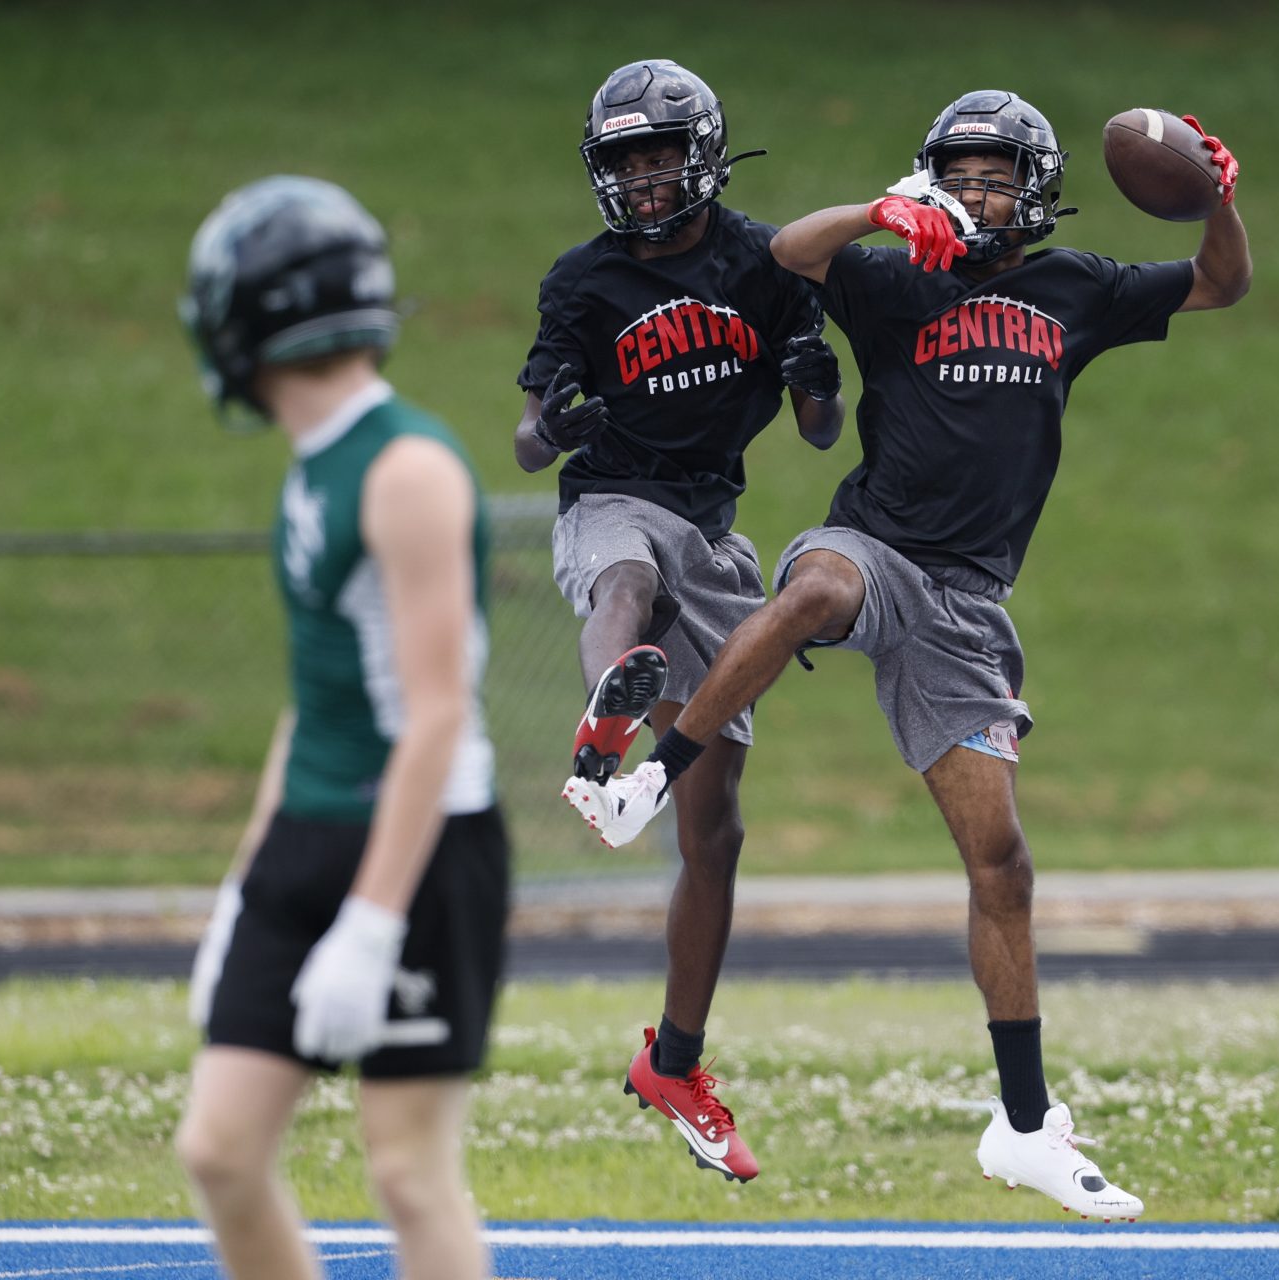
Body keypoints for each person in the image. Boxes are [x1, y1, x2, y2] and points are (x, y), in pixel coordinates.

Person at [566, 89, 1249, 1219]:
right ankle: (646, 777)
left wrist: (1217, 196)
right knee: (815, 583)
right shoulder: (892, 280)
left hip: (970, 608)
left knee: (1002, 863)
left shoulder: (1073, 286)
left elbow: (1224, 281)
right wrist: (888, 214)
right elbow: (792, 250)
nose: (977, 193)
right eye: (960, 174)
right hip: (875, 547)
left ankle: (1025, 1126)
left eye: (996, 176)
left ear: (1035, 186)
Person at [173, 175, 509, 1280]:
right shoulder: (310, 465)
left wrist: (371, 920)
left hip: (418, 842)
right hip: (312, 827)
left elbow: (438, 712)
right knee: (220, 1149)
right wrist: (244, 883)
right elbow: (315, 701)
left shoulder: (405, 467)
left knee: (408, 1171)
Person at [516, 58, 845, 1184]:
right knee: (625, 581)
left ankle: (676, 1060)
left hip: (715, 532)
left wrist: (816, 376)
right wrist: (554, 423)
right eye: (626, 161)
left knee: (716, 834)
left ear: (702, 153)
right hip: (613, 498)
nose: (645, 179)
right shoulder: (584, 280)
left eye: (660, 155)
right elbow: (526, 437)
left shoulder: (762, 262)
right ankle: (605, 727)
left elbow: (815, 426)